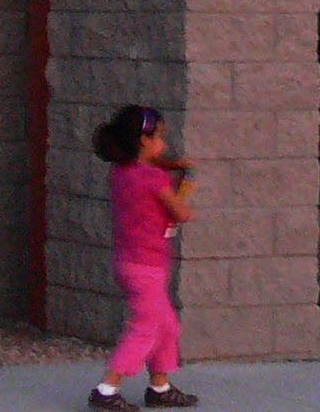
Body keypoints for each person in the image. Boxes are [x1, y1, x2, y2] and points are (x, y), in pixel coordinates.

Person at [88, 104, 197, 410]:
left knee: (166, 324)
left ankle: (159, 387)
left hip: (129, 263)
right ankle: (107, 389)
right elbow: (179, 211)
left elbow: (151, 168)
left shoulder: (121, 173)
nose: (163, 144)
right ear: (144, 141)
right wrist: (187, 189)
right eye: (159, 137)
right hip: (146, 266)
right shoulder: (154, 179)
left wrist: (173, 164)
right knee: (146, 326)